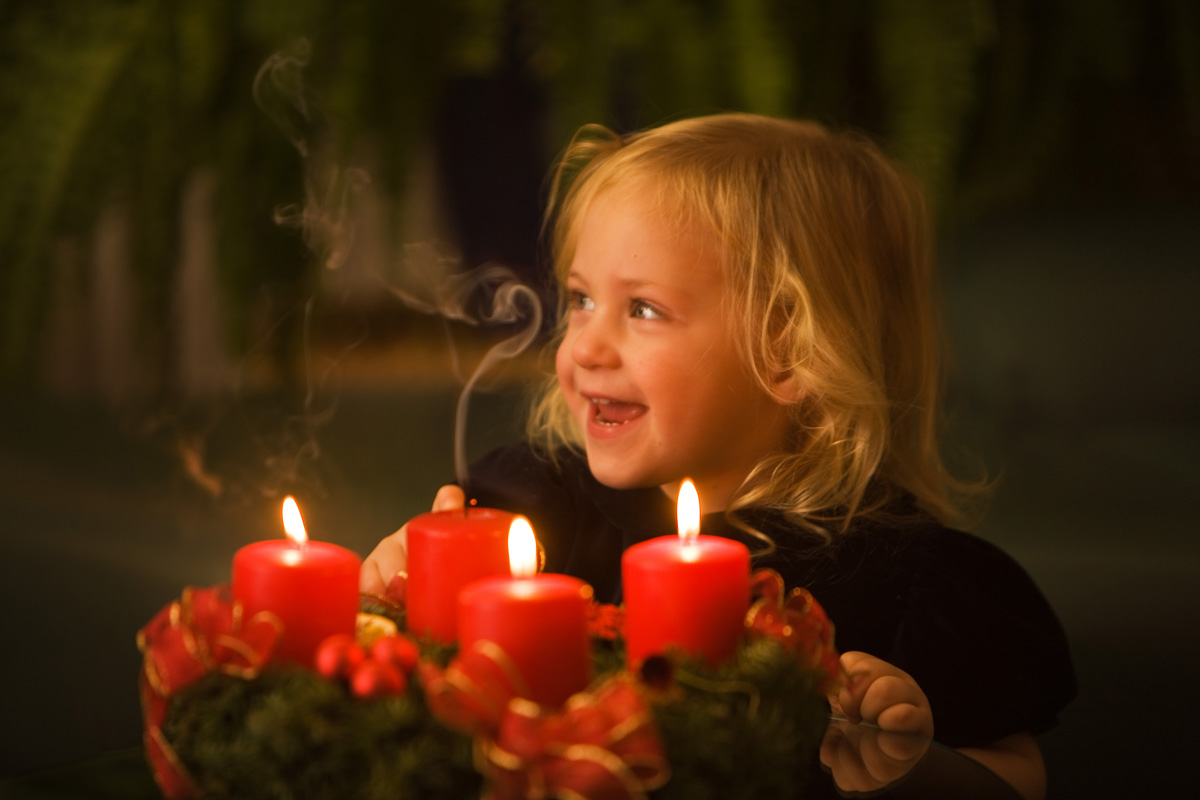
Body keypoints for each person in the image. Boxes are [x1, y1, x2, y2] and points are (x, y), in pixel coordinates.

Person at [361, 113, 1075, 800]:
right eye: (580, 299)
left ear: (789, 351)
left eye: (643, 309)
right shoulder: (531, 509)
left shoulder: (902, 583)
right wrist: (398, 590)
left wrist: (904, 764)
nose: (584, 347)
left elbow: (1017, 778)